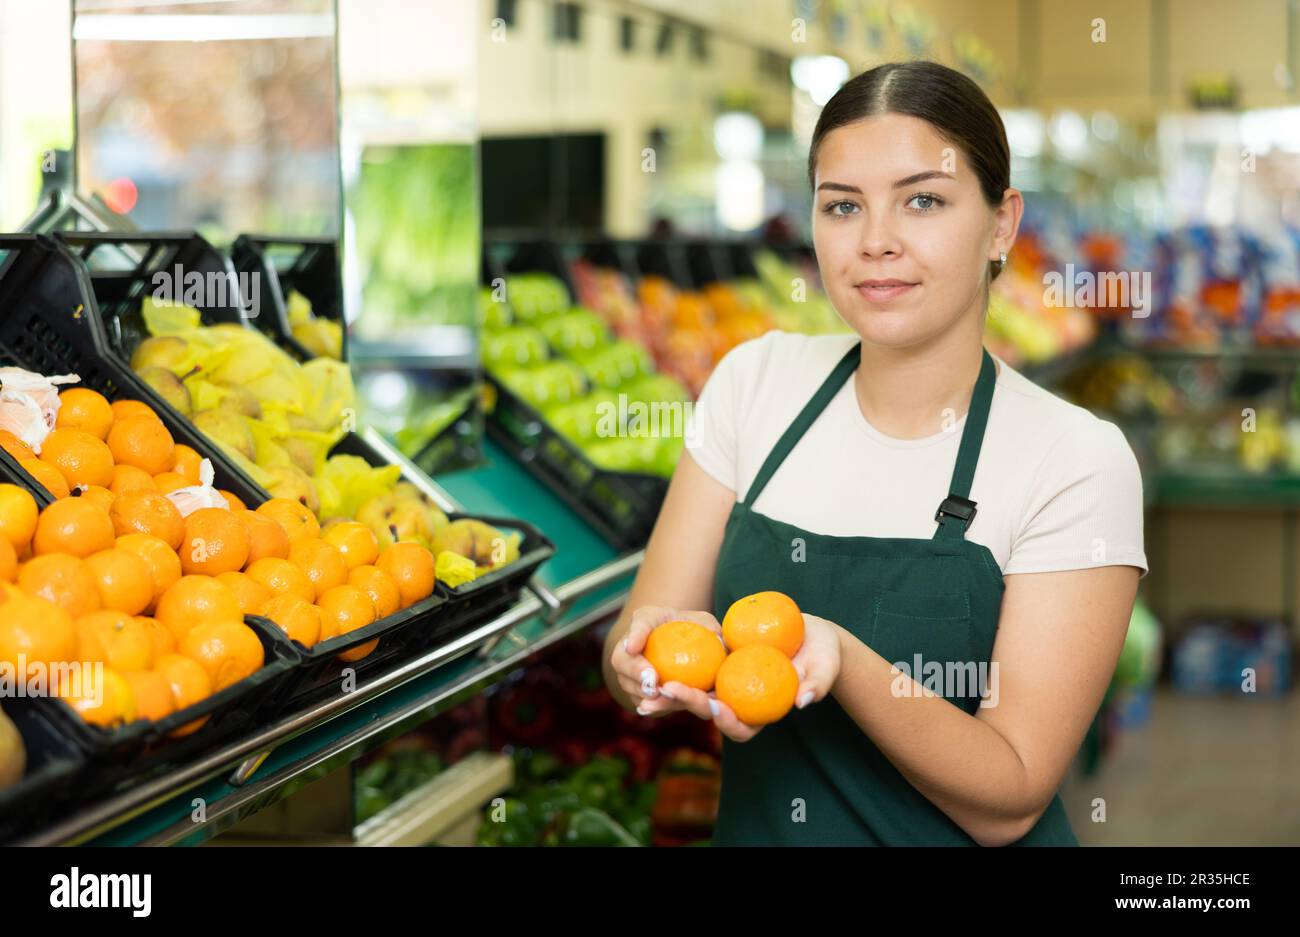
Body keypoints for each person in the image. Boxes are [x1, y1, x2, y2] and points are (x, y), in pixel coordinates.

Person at [601, 61, 1148, 846]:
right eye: (842, 206)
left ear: (1001, 224)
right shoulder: (756, 384)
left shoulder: (1075, 460)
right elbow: (645, 644)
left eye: (923, 200)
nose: (876, 242)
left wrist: (843, 660)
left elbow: (1014, 794)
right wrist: (638, 664)